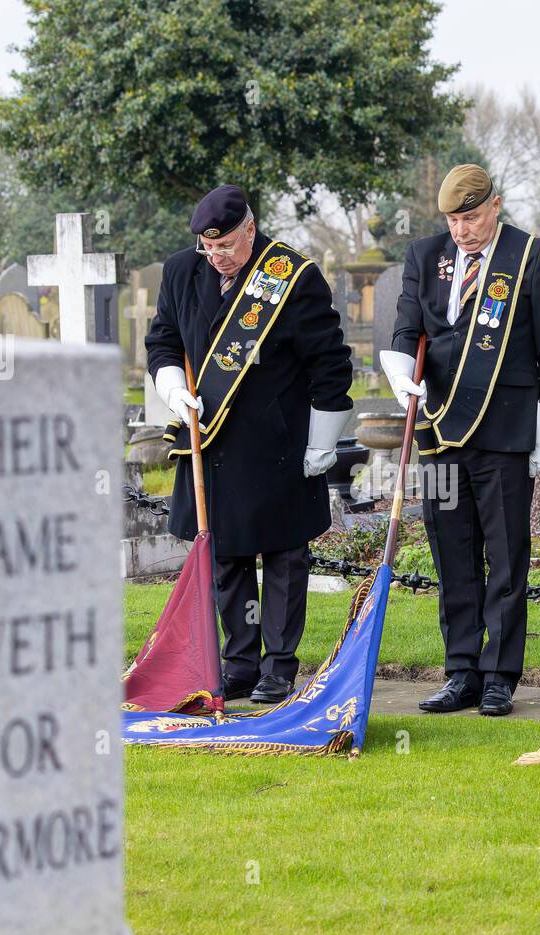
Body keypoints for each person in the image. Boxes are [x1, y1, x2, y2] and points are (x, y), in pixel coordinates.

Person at [146, 185, 353, 703]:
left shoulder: (292, 278)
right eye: (207, 248)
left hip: (279, 444)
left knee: (284, 556)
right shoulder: (180, 272)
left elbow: (330, 366)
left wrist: (322, 443)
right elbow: (163, 342)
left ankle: (279, 666)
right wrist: (175, 392)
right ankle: (240, 662)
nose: (216, 258)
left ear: (251, 230)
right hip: (212, 440)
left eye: (226, 246)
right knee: (227, 557)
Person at [384, 164, 540, 717]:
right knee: (452, 553)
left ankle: (499, 676)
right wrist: (400, 375)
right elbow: (406, 329)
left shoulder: (531, 255)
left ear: (495, 205)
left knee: (506, 555)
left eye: (470, 217)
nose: (461, 230)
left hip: (504, 430)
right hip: (439, 428)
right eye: (452, 219)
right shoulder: (425, 256)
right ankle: (461, 670)